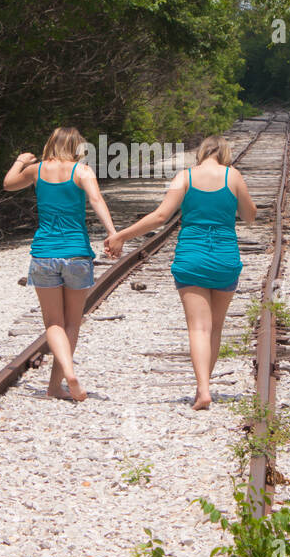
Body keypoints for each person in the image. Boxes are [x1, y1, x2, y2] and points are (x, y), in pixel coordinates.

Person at [105, 135, 256, 410]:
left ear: (201, 153)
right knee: (215, 327)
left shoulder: (185, 177)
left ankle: (203, 390)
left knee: (198, 327)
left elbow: (161, 216)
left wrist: (122, 236)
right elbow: (250, 215)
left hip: (192, 258)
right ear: (224, 153)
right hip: (225, 258)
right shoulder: (232, 176)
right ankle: (205, 386)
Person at [3, 127, 117, 402]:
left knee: (54, 323)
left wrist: (20, 161)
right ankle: (63, 378)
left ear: (50, 144)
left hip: (44, 254)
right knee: (72, 324)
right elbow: (96, 200)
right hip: (77, 254)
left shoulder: (37, 171)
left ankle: (60, 381)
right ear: (78, 146)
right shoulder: (82, 171)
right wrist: (113, 233)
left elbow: (8, 184)